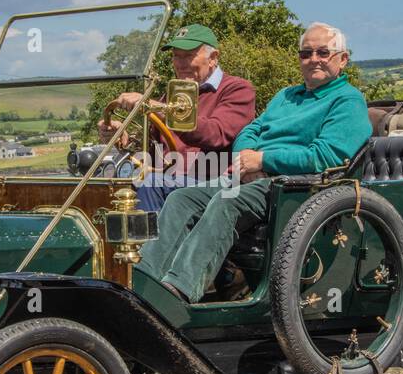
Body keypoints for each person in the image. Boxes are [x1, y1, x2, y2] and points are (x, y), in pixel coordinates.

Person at [135, 22, 371, 304]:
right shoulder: (287, 96)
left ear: (342, 59)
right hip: (254, 177)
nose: (313, 59)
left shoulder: (348, 100)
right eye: (306, 53)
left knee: (227, 200)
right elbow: (250, 130)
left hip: (299, 187)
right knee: (181, 198)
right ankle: (143, 283)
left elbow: (326, 157)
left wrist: (263, 159)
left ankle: (179, 291)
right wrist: (245, 159)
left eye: (323, 52)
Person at [99, 24, 255, 211]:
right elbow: (153, 147)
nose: (180, 64)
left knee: (150, 181)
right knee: (104, 185)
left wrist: (157, 107)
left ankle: (152, 241)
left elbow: (216, 134)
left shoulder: (237, 89)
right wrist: (123, 137)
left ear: (213, 58)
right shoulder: (175, 94)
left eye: (188, 56)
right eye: (176, 56)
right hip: (170, 181)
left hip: (212, 186)